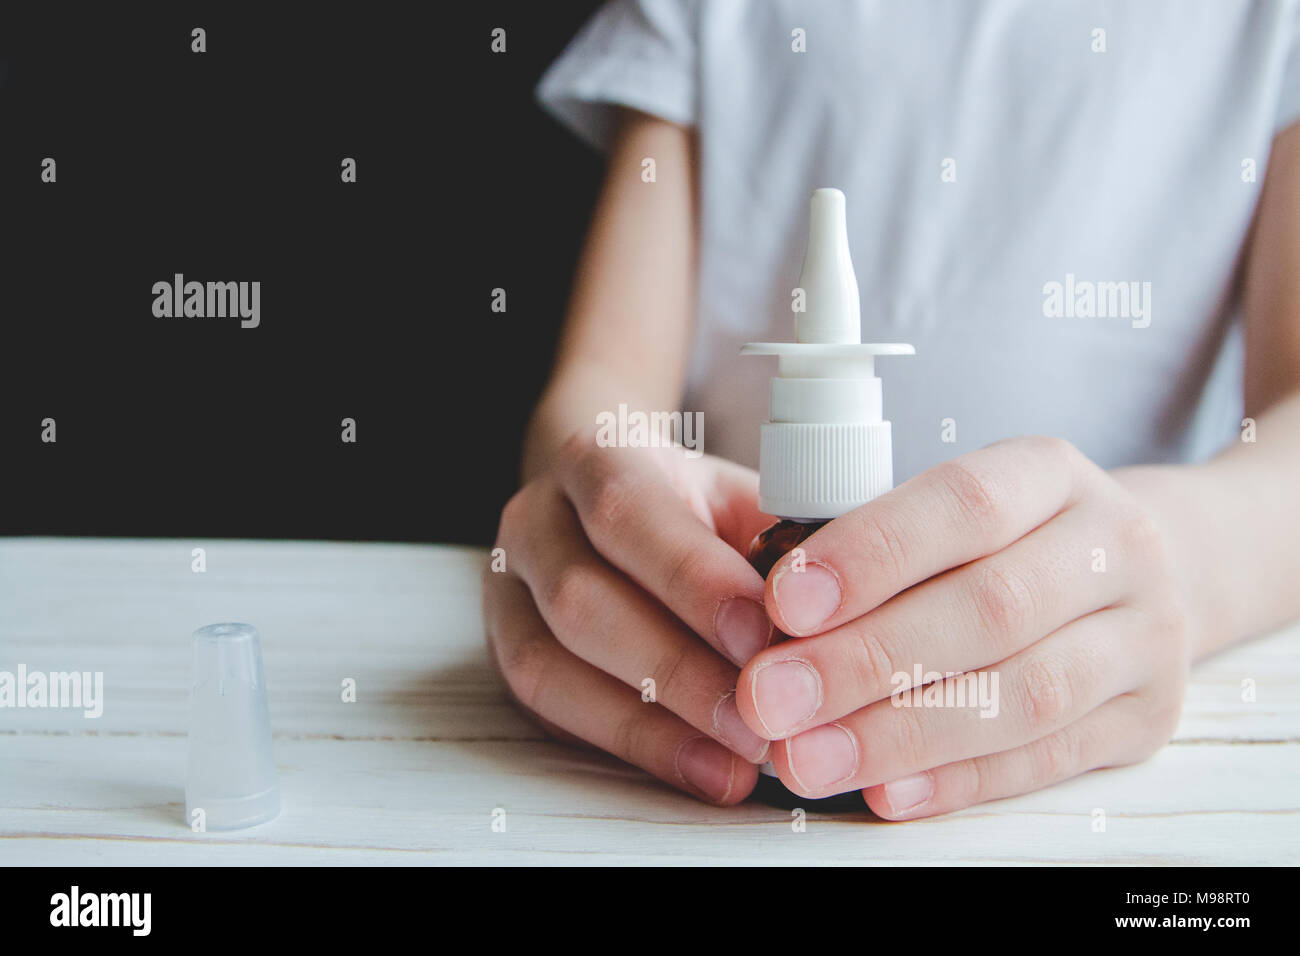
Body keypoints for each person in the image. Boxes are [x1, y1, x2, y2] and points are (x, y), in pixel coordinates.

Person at [482, 0, 1300, 818]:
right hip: (717, 717)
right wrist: (600, 508)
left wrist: (1164, 566)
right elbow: (606, 381)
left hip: (1082, 775)